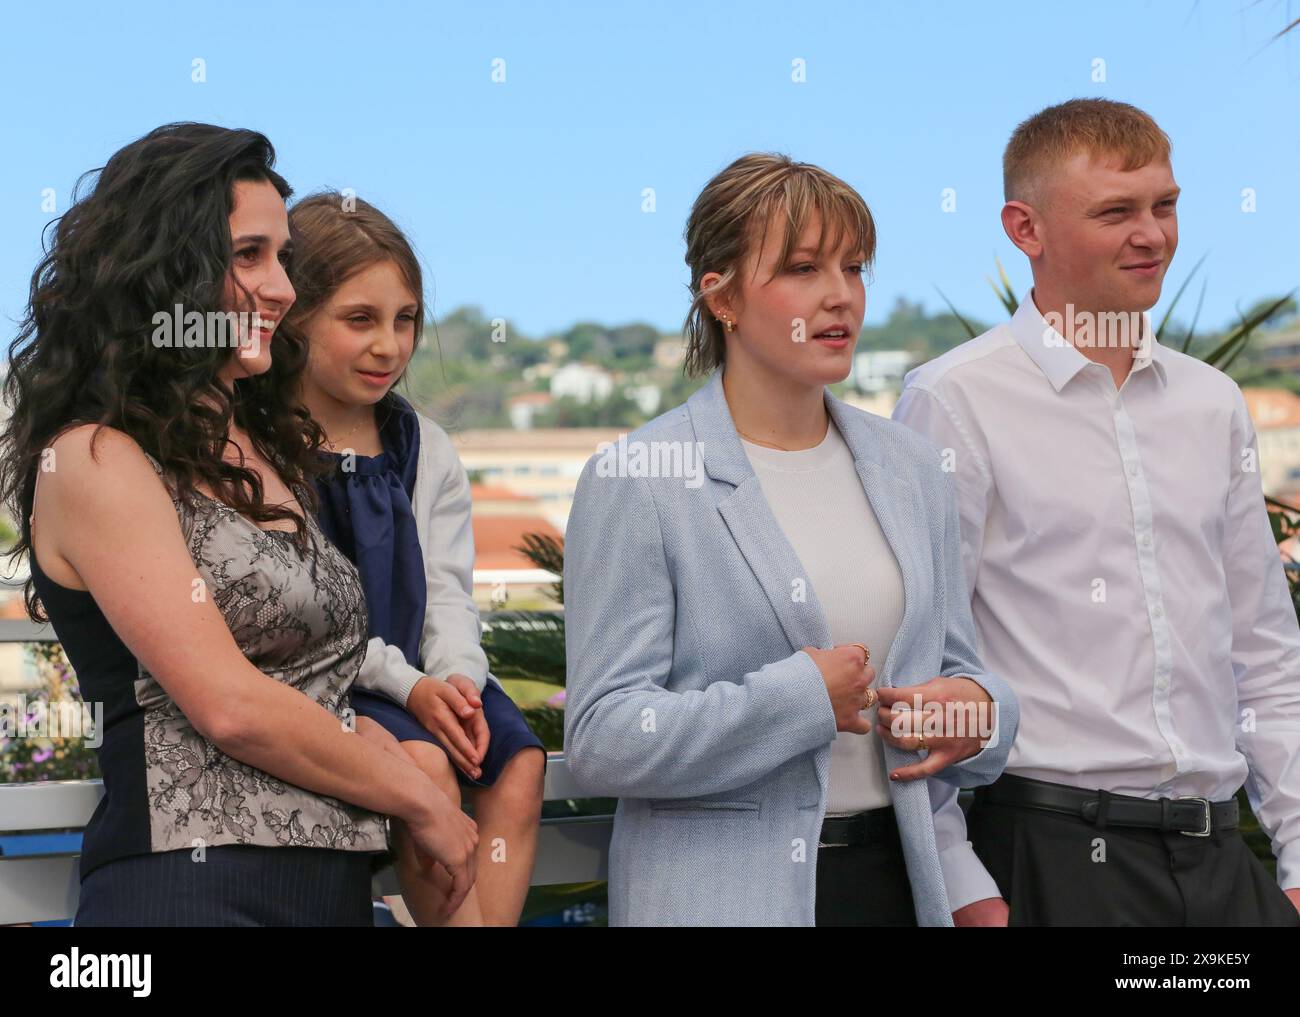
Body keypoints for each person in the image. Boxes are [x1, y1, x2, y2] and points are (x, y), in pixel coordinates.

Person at [0, 123, 477, 926]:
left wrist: (390, 751)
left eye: (282, 258)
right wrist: (421, 800)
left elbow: (313, 680)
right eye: (249, 255)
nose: (282, 287)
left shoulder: (267, 447)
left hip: (329, 890)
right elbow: (229, 703)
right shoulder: (94, 458)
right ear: (166, 271)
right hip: (189, 891)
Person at [562, 152, 1019, 926]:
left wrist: (979, 711)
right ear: (723, 296)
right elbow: (605, 736)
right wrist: (800, 697)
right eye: (804, 268)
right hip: (721, 902)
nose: (841, 295)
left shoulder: (911, 468)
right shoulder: (639, 477)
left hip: (899, 886)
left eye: (854, 265)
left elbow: (961, 668)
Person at [893, 98, 1300, 926]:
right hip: (1050, 858)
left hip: (1226, 866)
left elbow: (1263, 650)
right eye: (1115, 211)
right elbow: (920, 663)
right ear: (1024, 228)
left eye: (1165, 205)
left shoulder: (1211, 401)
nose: (1151, 234)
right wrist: (965, 889)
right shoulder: (953, 399)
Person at [284, 192, 546, 926]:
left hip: (423, 677)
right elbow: (306, 618)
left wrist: (458, 681)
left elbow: (449, 590)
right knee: (427, 767)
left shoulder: (424, 446)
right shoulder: (270, 453)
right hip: (339, 678)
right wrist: (409, 688)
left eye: (405, 321)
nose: (389, 346)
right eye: (360, 320)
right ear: (297, 318)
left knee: (518, 764)